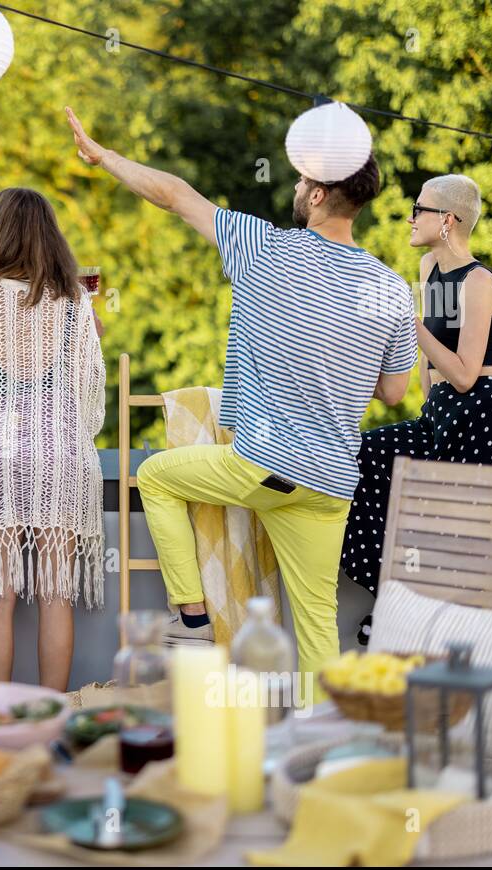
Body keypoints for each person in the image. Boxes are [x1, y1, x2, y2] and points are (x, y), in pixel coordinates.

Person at [64, 106, 416, 701]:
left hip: (265, 465)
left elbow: (176, 196)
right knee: (317, 630)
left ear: (322, 192)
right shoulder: (391, 287)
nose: (297, 188)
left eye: (304, 181)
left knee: (155, 477)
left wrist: (105, 157)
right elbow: (394, 391)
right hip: (331, 484)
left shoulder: (265, 247)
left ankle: (194, 624)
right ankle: (317, 749)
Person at [343, 174, 492, 643]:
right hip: (442, 416)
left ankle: (430, 624)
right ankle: (396, 599)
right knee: (359, 456)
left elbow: (467, 373)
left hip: (484, 420)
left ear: (447, 221)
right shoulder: (429, 268)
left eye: (418, 209)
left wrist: (407, 320)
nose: (410, 217)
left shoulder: (480, 281)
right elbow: (431, 364)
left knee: (473, 548)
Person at [0, 187, 106, 691]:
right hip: (59, 451)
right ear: (49, 235)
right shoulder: (75, 298)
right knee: (57, 595)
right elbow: (91, 389)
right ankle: (53, 715)